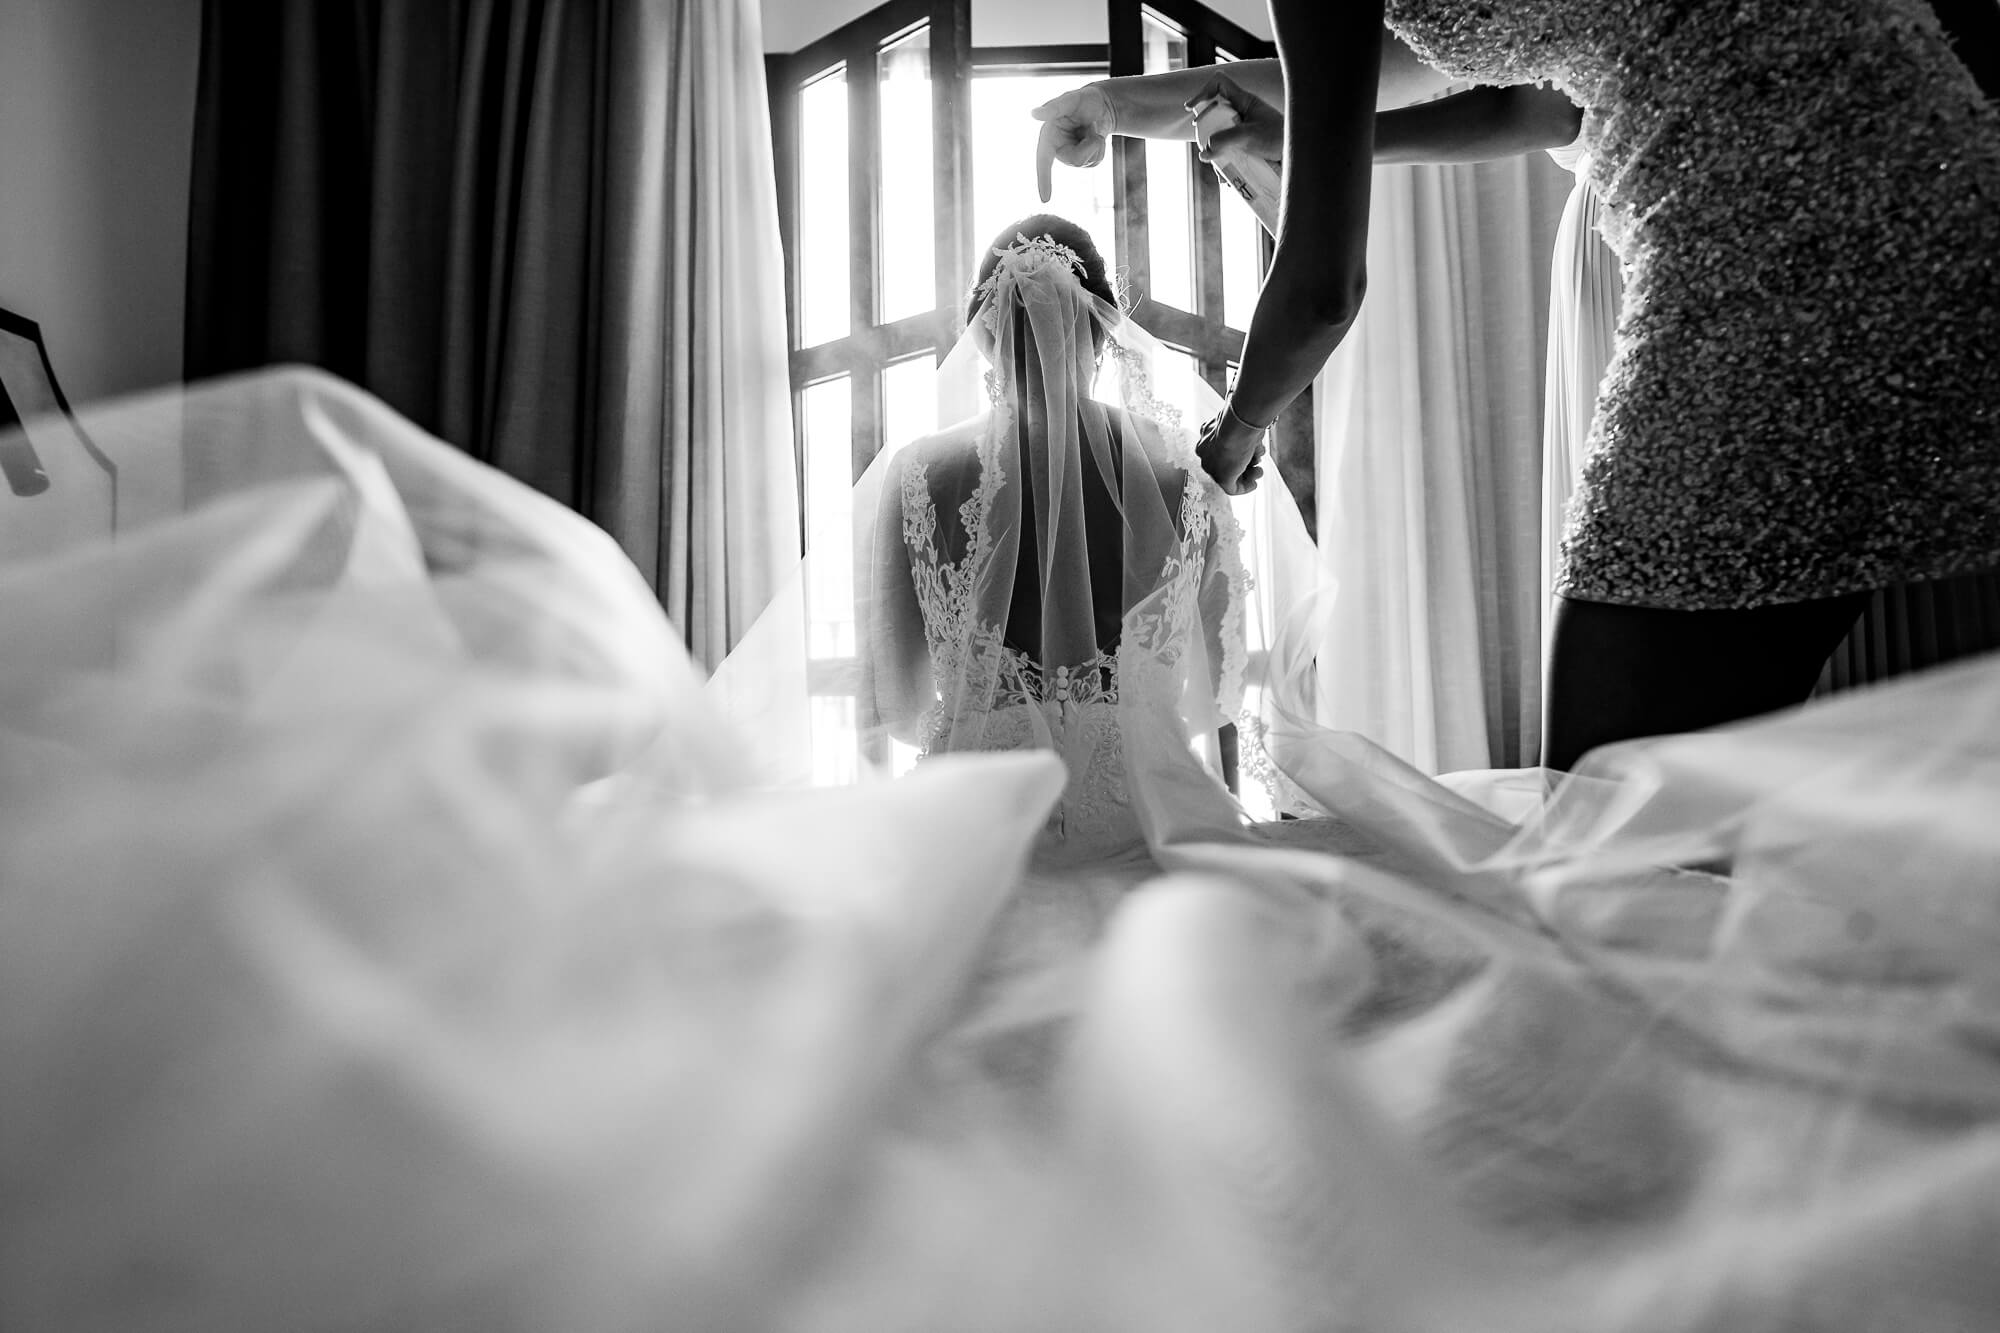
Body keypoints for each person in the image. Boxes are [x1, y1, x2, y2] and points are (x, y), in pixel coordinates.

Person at [1036, 1, 2000, 769]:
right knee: (1671, 781)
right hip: (1949, 195)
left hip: (1775, 251)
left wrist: (1233, 438)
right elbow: (1539, 107)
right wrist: (1119, 106)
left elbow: (1324, 286)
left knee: (1611, 800)